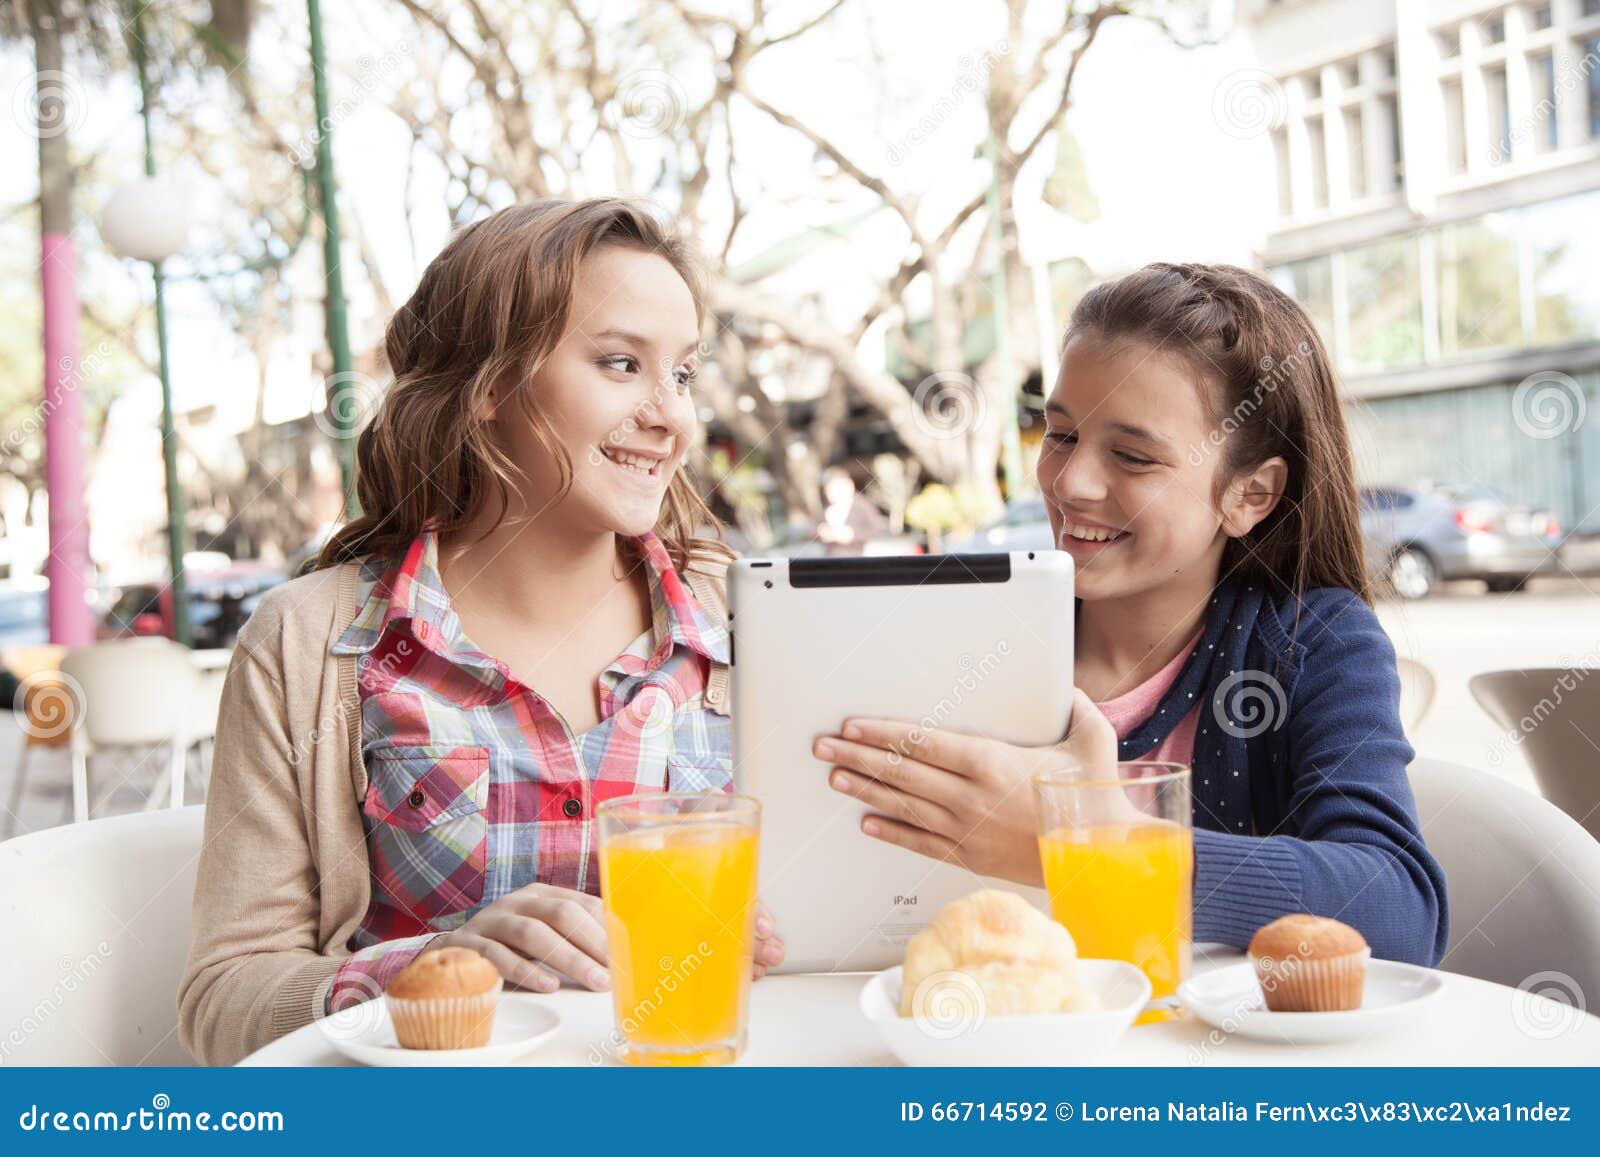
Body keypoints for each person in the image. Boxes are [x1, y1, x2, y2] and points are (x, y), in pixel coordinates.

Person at [179, 199, 783, 1066]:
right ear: (491, 385)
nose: (672, 417)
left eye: (683, 373)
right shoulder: (306, 643)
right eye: (622, 364)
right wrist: (433, 965)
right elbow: (222, 999)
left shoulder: (748, 620)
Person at [812, 263, 1447, 965]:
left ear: (1250, 494)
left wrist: (1102, 843)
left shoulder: (1312, 643)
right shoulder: (978, 635)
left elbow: (1400, 908)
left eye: (1134, 456)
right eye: (1058, 435)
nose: (1071, 482)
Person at [815, 466, 888, 555]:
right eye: (828, 490)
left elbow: (877, 530)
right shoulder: (826, 508)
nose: (832, 493)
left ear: (849, 485)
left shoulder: (862, 506)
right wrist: (822, 532)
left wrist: (852, 535)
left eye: (836, 488)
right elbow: (812, 529)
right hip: (832, 559)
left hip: (858, 559)